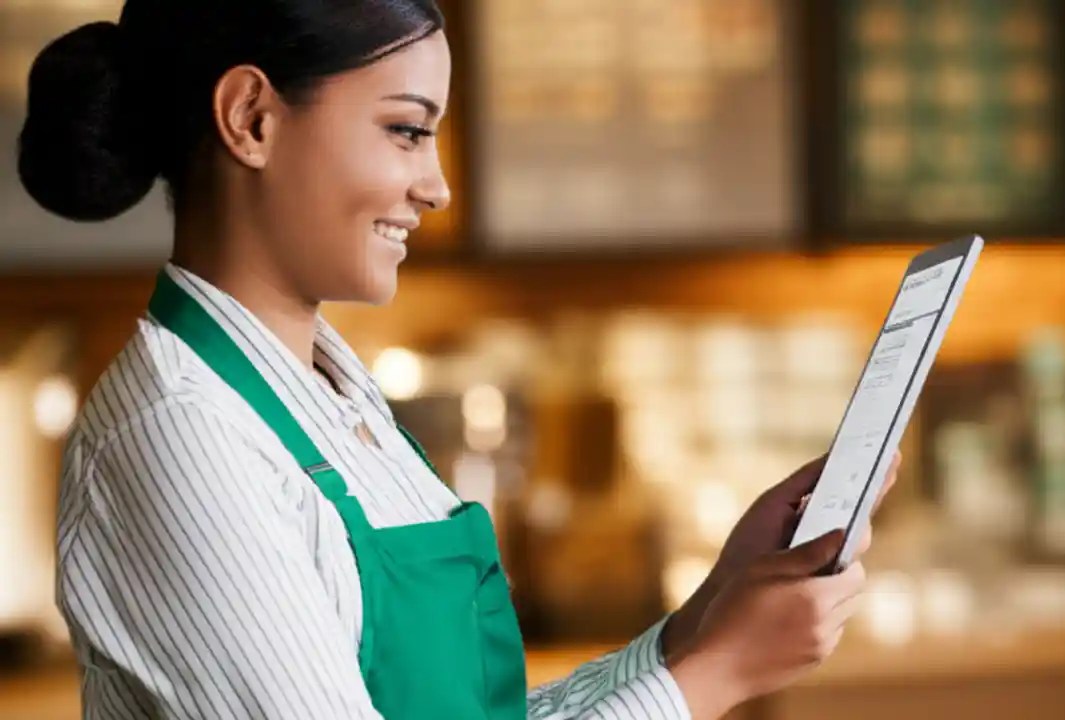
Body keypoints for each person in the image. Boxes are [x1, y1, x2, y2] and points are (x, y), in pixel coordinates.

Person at [19, 2, 899, 718]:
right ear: (251, 118)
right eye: (406, 131)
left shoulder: (335, 400)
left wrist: (704, 622)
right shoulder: (182, 435)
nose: (437, 185)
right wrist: (715, 679)